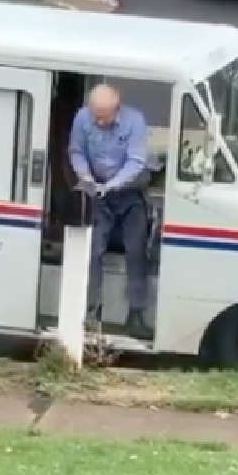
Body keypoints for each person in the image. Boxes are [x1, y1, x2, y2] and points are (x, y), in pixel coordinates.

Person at [68, 84, 153, 339]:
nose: (98, 120)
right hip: (97, 193)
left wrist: (112, 185)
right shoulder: (82, 118)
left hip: (129, 192)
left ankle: (136, 316)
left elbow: (136, 162)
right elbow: (76, 151)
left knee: (137, 252)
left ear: (117, 108)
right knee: (92, 251)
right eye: (95, 114)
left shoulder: (135, 121)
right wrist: (85, 176)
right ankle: (91, 314)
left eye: (103, 116)